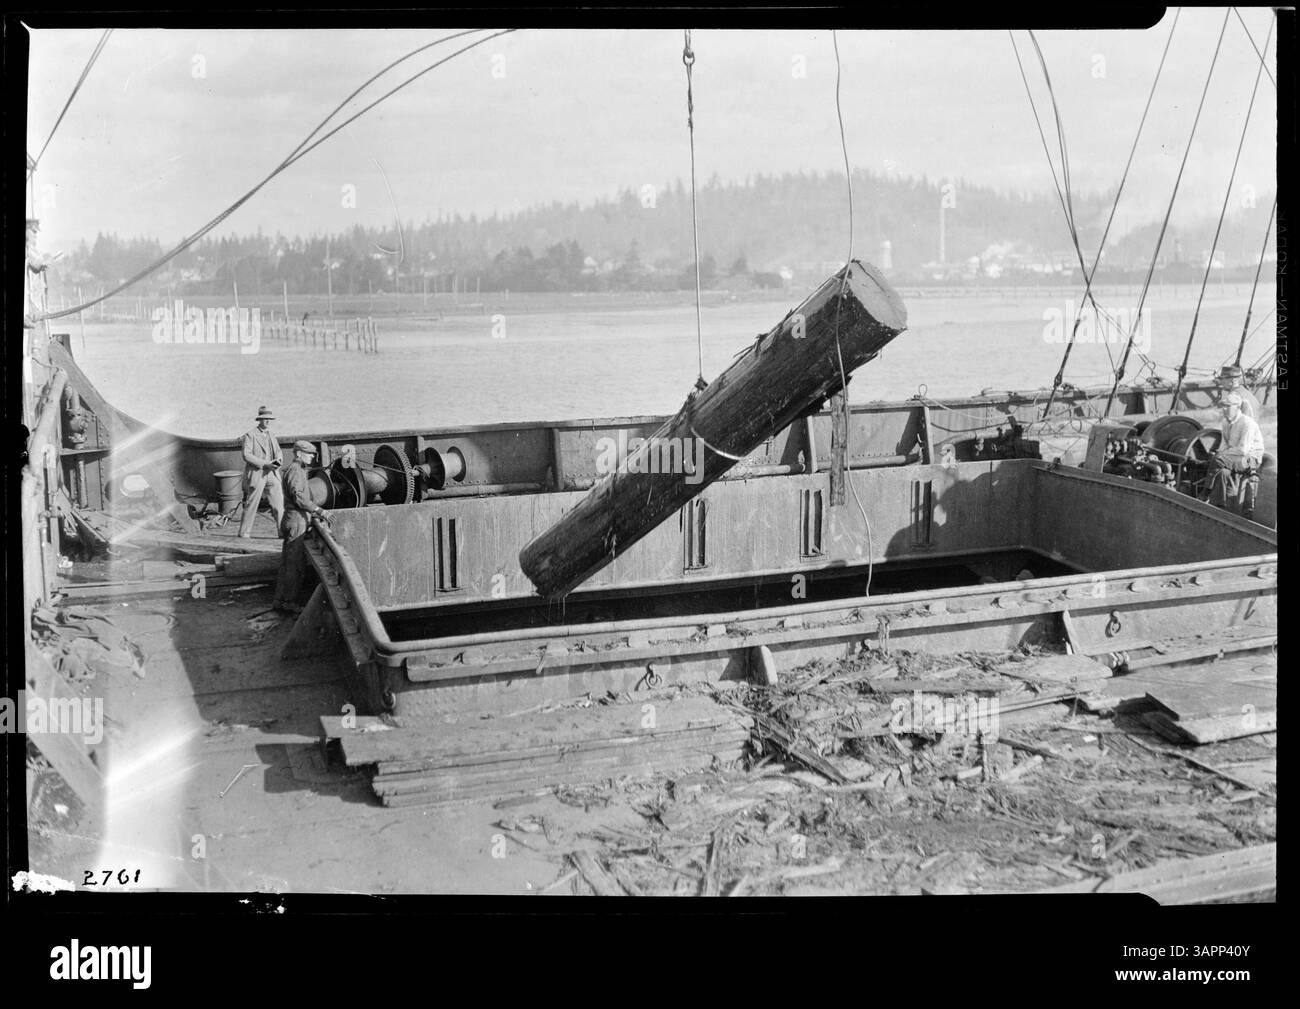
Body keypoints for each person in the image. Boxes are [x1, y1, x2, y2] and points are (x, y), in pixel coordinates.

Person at [274, 440, 330, 613]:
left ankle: (280, 600)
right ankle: (289, 602)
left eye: (313, 454)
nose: (313, 457)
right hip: (296, 520)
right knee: (293, 564)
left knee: (288, 562)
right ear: (298, 454)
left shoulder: (298, 470)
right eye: (309, 454)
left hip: (297, 519)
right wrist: (320, 511)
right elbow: (299, 498)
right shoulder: (295, 471)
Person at [1208, 391, 1265, 521]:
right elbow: (1224, 443)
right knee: (1223, 471)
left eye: (1228, 406)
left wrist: (1221, 455)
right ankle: (1221, 505)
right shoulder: (1225, 422)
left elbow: (1243, 449)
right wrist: (1219, 452)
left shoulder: (1247, 423)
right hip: (1236, 456)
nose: (1224, 409)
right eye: (1223, 406)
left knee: (1218, 459)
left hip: (1251, 459)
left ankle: (1205, 492)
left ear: (1237, 407)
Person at [237, 406, 285, 537]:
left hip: (272, 475)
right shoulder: (250, 435)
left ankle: (282, 532)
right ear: (259, 420)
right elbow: (246, 455)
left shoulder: (271, 435)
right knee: (252, 503)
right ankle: (244, 533)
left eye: (269, 419)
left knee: (279, 505)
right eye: (265, 419)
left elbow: (279, 451)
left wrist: (278, 461)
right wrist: (265, 464)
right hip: (258, 474)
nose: (268, 421)